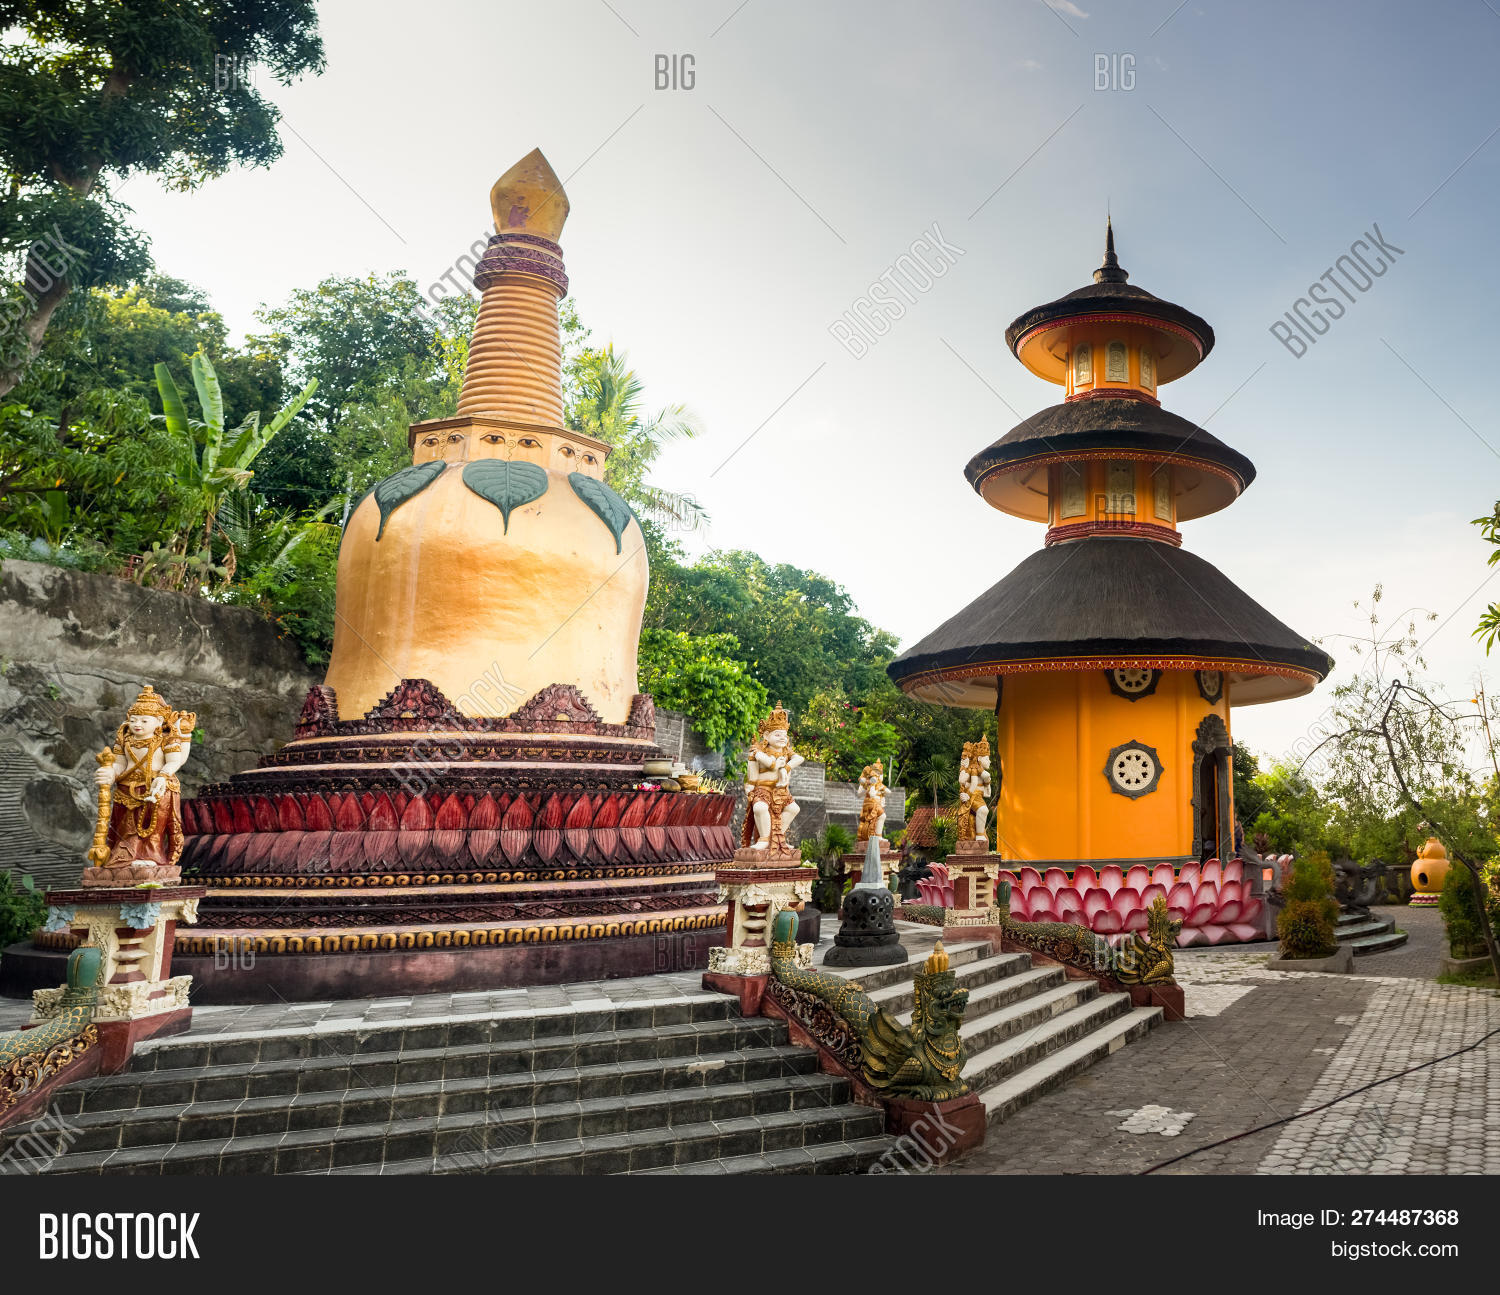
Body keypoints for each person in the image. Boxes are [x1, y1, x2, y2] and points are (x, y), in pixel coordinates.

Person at [94, 686, 195, 871]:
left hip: (156, 788)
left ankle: (151, 856)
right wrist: (110, 773)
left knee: (153, 827)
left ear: (158, 722)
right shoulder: (125, 739)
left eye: (143, 720)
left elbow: (174, 762)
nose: (137, 724)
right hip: (127, 788)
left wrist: (163, 777)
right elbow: (120, 764)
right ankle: (123, 858)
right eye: (133, 720)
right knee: (125, 827)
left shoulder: (166, 739)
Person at [741, 704, 803, 853]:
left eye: (784, 735)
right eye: (777, 734)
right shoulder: (758, 750)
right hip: (763, 788)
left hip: (780, 790)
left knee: (794, 808)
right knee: (760, 808)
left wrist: (786, 767)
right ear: (766, 736)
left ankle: (775, 837)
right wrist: (775, 765)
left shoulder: (786, 752)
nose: (782, 738)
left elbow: (799, 758)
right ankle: (763, 839)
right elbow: (753, 771)